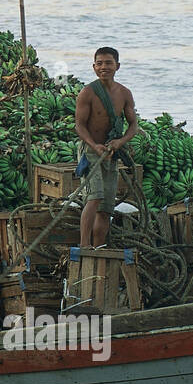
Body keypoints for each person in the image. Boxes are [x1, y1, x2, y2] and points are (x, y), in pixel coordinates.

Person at [73, 47, 139, 248]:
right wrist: (95, 145)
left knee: (106, 206)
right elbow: (79, 126)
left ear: (117, 66)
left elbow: (133, 125)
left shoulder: (124, 93)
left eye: (108, 63)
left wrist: (120, 142)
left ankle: (99, 247)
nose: (104, 67)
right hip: (90, 151)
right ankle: (85, 247)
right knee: (94, 197)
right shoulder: (87, 93)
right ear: (94, 67)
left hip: (111, 153)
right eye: (99, 63)